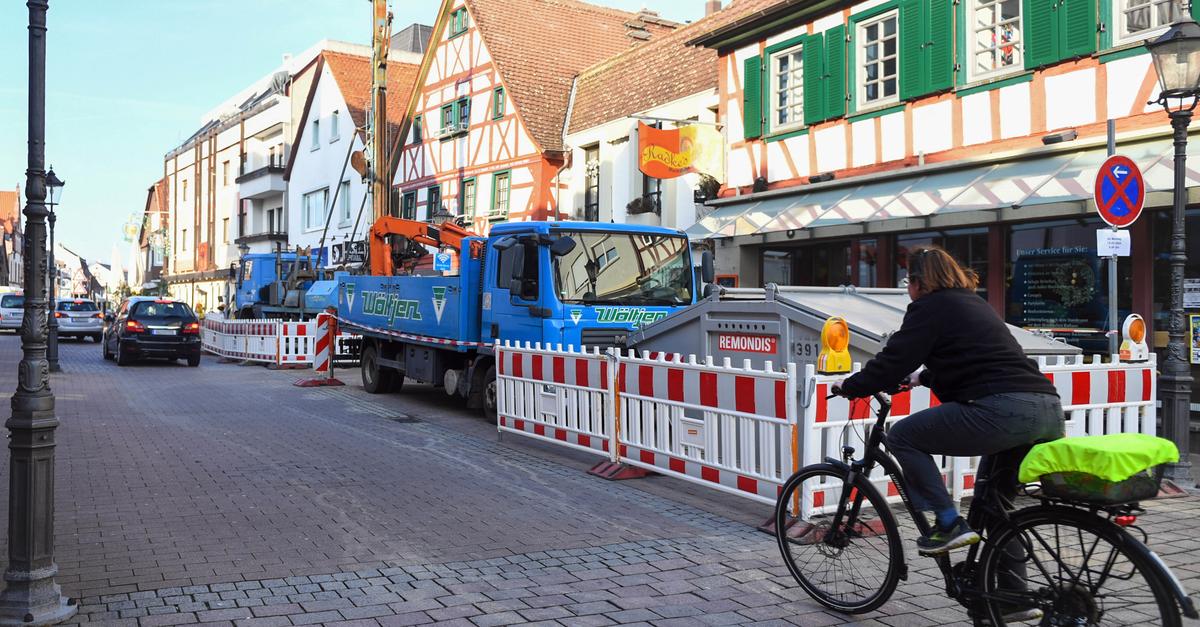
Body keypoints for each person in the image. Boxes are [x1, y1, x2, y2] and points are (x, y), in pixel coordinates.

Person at [832, 246, 1064, 555]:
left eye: (907, 283)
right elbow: (974, 358)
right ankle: (1012, 600)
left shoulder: (929, 307)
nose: (909, 290)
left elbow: (893, 361)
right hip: (1046, 407)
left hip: (1002, 409)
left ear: (917, 282)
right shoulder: (974, 304)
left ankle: (948, 522)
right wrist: (922, 377)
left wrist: (850, 385)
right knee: (994, 507)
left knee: (903, 436)